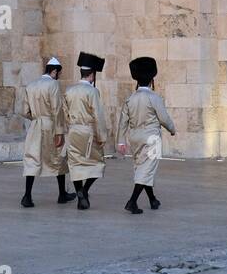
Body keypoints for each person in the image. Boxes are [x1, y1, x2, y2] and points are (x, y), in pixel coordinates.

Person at [117, 56, 176, 214]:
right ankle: (132, 201)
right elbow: (164, 118)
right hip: (151, 139)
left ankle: (152, 199)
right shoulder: (154, 97)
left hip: (135, 137)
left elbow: (123, 122)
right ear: (152, 80)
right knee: (147, 170)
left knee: (142, 168)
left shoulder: (130, 99)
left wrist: (121, 141)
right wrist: (172, 129)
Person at [17, 57, 75, 207]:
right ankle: (62, 194)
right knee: (59, 158)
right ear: (54, 71)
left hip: (35, 126)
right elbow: (57, 110)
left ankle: (27, 196)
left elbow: (24, 111)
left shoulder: (31, 85)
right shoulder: (53, 84)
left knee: (32, 158)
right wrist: (60, 132)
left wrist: (36, 117)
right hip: (51, 125)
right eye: (58, 73)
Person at [64, 52, 107, 210]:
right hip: (88, 131)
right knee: (97, 163)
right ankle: (84, 190)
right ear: (92, 75)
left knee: (75, 164)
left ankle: (80, 194)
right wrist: (102, 135)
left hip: (73, 130)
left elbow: (65, 112)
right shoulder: (92, 92)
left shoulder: (69, 90)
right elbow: (98, 115)